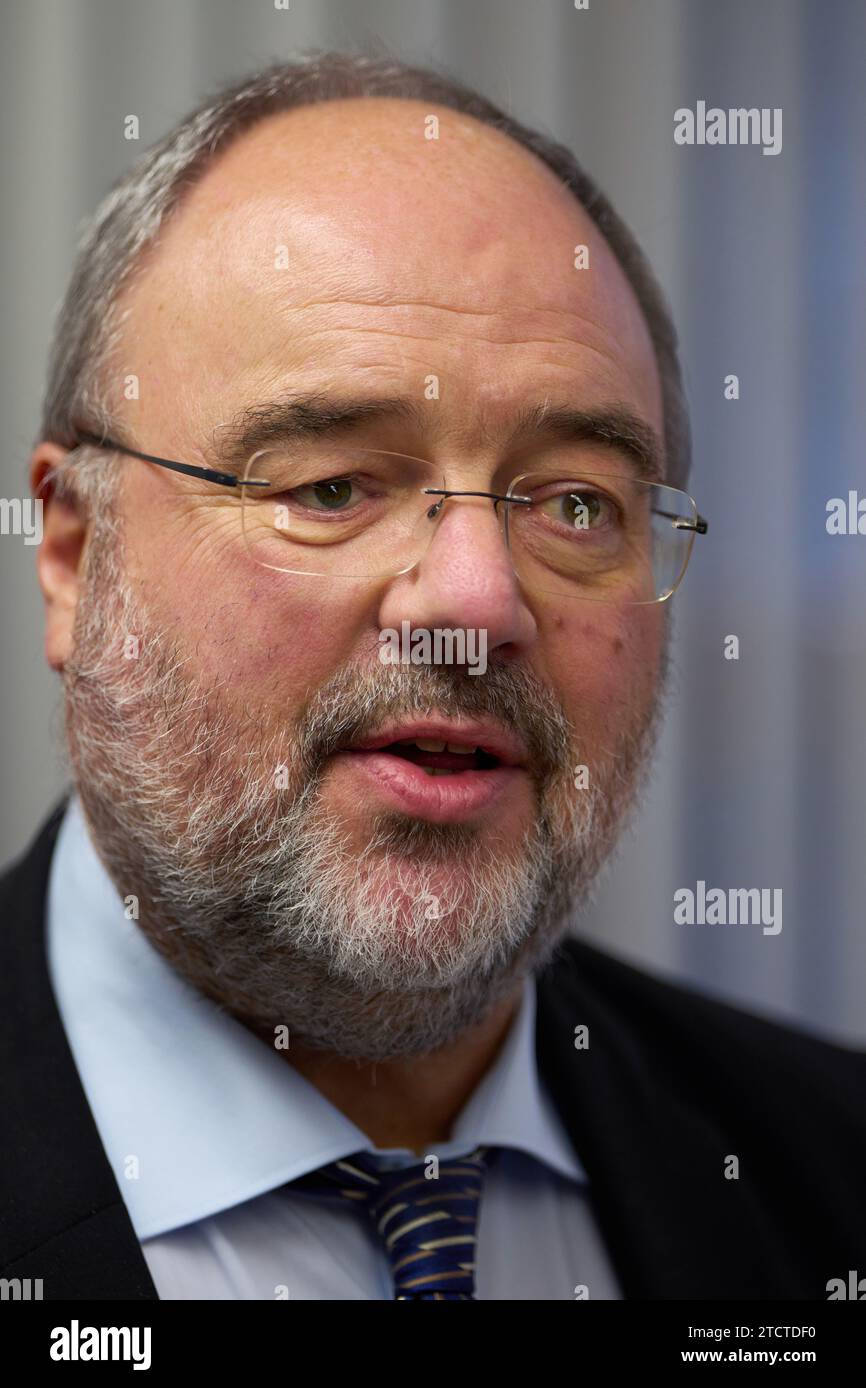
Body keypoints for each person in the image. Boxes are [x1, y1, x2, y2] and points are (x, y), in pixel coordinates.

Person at [1, 52, 862, 1302]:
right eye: (331, 487)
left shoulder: (822, 1174)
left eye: (575, 504)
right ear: (78, 557)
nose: (475, 601)